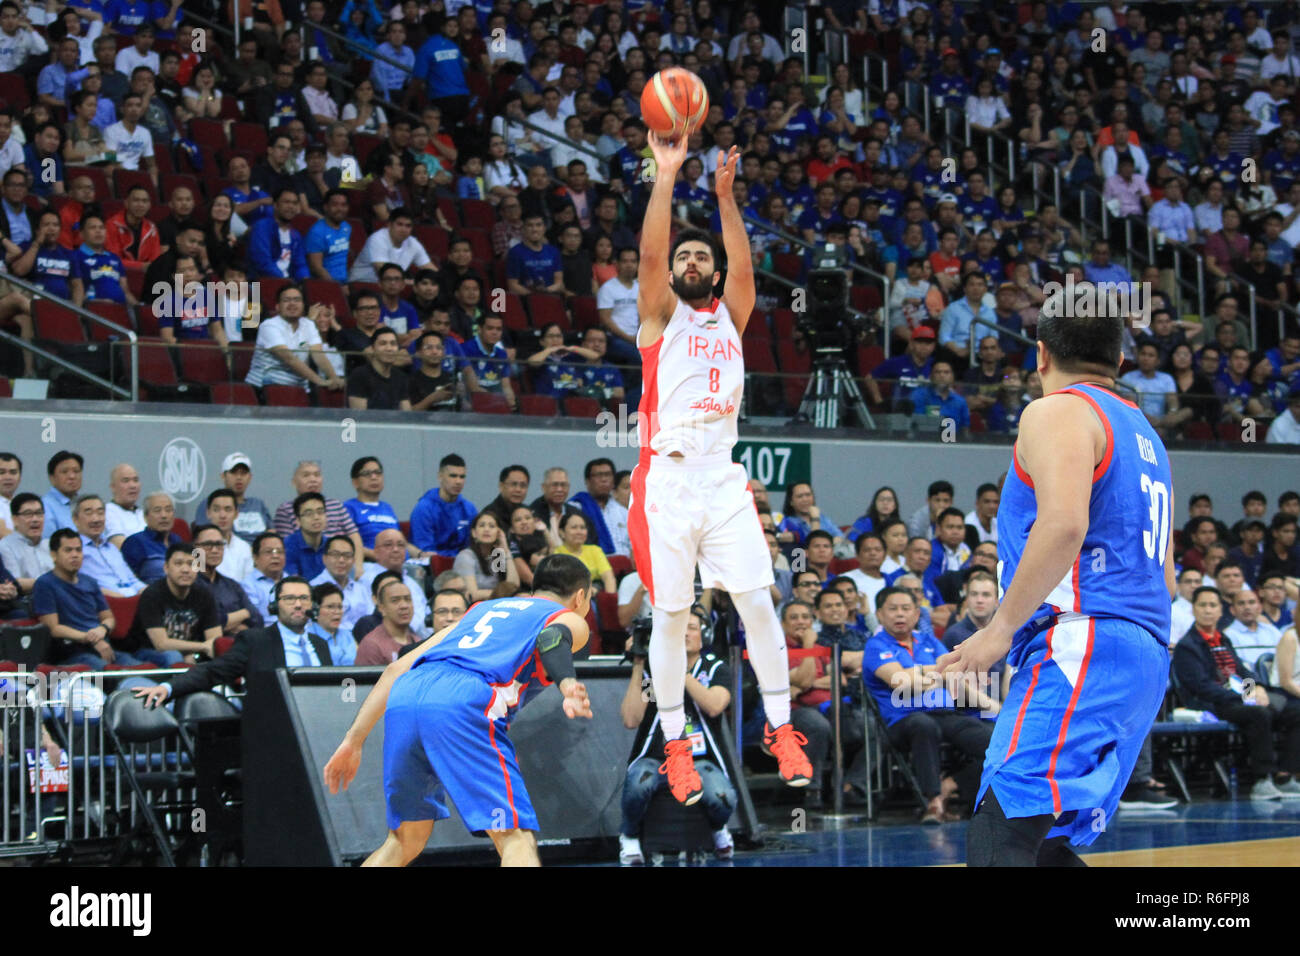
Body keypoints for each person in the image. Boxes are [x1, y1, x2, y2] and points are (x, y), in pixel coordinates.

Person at [939, 300, 1176, 866]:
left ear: (1040, 353)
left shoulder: (1058, 411)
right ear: (1120, 359)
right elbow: (1166, 571)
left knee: (1002, 826)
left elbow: (1066, 524)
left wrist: (999, 631)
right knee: (1044, 843)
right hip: (1143, 652)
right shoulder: (1145, 434)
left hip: (1081, 641)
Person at [630, 132, 812, 806]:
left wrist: (726, 199)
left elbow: (745, 268)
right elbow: (650, 254)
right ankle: (676, 743)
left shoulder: (731, 318)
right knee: (671, 616)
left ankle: (781, 727)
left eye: (701, 255)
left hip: (723, 477)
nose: (692, 260)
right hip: (669, 480)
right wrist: (667, 175)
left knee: (758, 603)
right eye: (685, 255)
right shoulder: (659, 317)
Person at [322, 553, 594, 867]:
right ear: (580, 597)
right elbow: (551, 637)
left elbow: (395, 669)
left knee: (404, 840)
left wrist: (353, 740)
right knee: (514, 836)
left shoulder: (481, 610)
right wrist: (567, 683)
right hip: (463, 698)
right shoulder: (567, 617)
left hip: (407, 694)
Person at [867, 587, 999, 823]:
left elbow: (953, 672)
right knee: (923, 726)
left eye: (906, 608)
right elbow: (901, 683)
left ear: (917, 614)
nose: (900, 614)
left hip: (945, 714)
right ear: (879, 614)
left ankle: (950, 785)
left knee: (995, 741)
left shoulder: (929, 640)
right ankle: (933, 802)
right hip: (902, 720)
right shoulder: (876, 646)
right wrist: (937, 674)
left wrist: (994, 707)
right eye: (893, 609)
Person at [618, 606, 737, 864]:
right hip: (656, 758)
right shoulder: (653, 672)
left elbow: (715, 705)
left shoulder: (714, 668)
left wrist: (676, 668)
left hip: (700, 759)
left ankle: (718, 829)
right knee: (638, 784)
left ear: (704, 635)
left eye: (691, 628)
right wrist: (639, 665)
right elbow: (631, 719)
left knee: (723, 796)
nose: (683, 634)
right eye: (678, 628)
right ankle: (629, 835)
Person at [1172, 586, 1300, 800]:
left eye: (1213, 605)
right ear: (1193, 610)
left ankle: (1286, 775)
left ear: (1220, 611)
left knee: (1295, 712)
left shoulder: (1223, 639)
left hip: (1237, 700)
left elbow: (1242, 671)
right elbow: (1201, 686)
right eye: (1202, 605)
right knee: (1260, 714)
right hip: (1211, 704)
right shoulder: (1188, 646)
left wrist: (1255, 689)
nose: (1208, 610)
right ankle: (1262, 779)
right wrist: (1244, 697)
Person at [132, 577, 335, 707]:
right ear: (274, 606)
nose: (298, 605)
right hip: (276, 727)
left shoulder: (320, 644)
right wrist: (168, 688)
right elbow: (212, 671)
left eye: (304, 598)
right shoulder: (256, 641)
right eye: (289, 598)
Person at [124, 543, 220, 666]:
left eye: (191, 564)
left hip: (191, 651)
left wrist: (195, 654)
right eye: (178, 563)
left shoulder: (204, 595)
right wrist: (202, 647)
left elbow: (215, 640)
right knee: (173, 655)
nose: (185, 570)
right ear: (166, 568)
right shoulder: (152, 594)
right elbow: (161, 644)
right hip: (147, 652)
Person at [190, 523, 262, 634]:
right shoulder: (189, 584)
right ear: (195, 549)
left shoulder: (231, 585)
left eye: (219, 544)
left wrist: (229, 624)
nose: (215, 550)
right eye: (208, 544)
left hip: (240, 641)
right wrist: (244, 613)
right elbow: (202, 624)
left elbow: (257, 618)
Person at [359, 528, 431, 637]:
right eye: (388, 545)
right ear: (376, 551)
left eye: (401, 545)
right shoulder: (366, 579)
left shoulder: (412, 583)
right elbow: (369, 618)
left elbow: (427, 615)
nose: (396, 549)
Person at [72, 494, 146, 597]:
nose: (96, 519)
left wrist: (148, 592)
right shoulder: (75, 550)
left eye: (100, 513)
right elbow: (80, 584)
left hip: (133, 598)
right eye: (89, 513)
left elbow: (132, 580)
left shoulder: (112, 548)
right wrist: (120, 599)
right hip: (105, 601)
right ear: (75, 519)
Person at [194, 453, 273, 545]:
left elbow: (271, 532)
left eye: (243, 473)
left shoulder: (258, 504)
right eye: (233, 472)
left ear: (250, 477)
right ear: (223, 476)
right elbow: (203, 538)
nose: (239, 477)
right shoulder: (210, 503)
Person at [410, 454, 477, 558]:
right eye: (453, 476)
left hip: (464, 562)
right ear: (440, 476)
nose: (458, 481)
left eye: (462, 477)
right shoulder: (423, 509)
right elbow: (427, 553)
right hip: (433, 565)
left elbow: (475, 546)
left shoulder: (469, 509)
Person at [453, 511, 521, 602]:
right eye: (482, 525)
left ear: (498, 533)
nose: (486, 529)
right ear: (474, 533)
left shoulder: (497, 556)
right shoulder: (465, 556)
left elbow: (513, 586)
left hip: (495, 603)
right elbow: (472, 594)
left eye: (492, 526)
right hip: (474, 606)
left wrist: (506, 551)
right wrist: (502, 594)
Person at [355, 574, 422, 665]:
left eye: (408, 599)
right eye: (395, 600)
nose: (404, 606)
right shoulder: (371, 645)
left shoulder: (419, 642)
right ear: (381, 608)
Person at [120, 491, 183, 584]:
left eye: (168, 510)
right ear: (145, 516)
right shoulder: (135, 542)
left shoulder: (178, 541)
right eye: (157, 511)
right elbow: (128, 579)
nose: (164, 515)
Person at [0, 493, 52, 591]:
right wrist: (53, 584)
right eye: (28, 514)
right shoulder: (5, 546)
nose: (35, 519)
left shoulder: (50, 544)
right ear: (15, 519)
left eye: (39, 513)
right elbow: (14, 583)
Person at [241, 532, 287, 621]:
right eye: (268, 552)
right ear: (255, 557)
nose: (275, 556)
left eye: (280, 551)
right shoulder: (247, 585)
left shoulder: (293, 582)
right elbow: (254, 619)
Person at [310, 582, 357, 667]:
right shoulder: (308, 636)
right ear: (315, 610)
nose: (337, 612)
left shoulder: (347, 635)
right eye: (330, 607)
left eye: (340, 607)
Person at [41, 450, 83, 533]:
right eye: (64, 472)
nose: (72, 476)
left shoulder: (85, 503)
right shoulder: (45, 506)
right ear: (52, 478)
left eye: (76, 471)